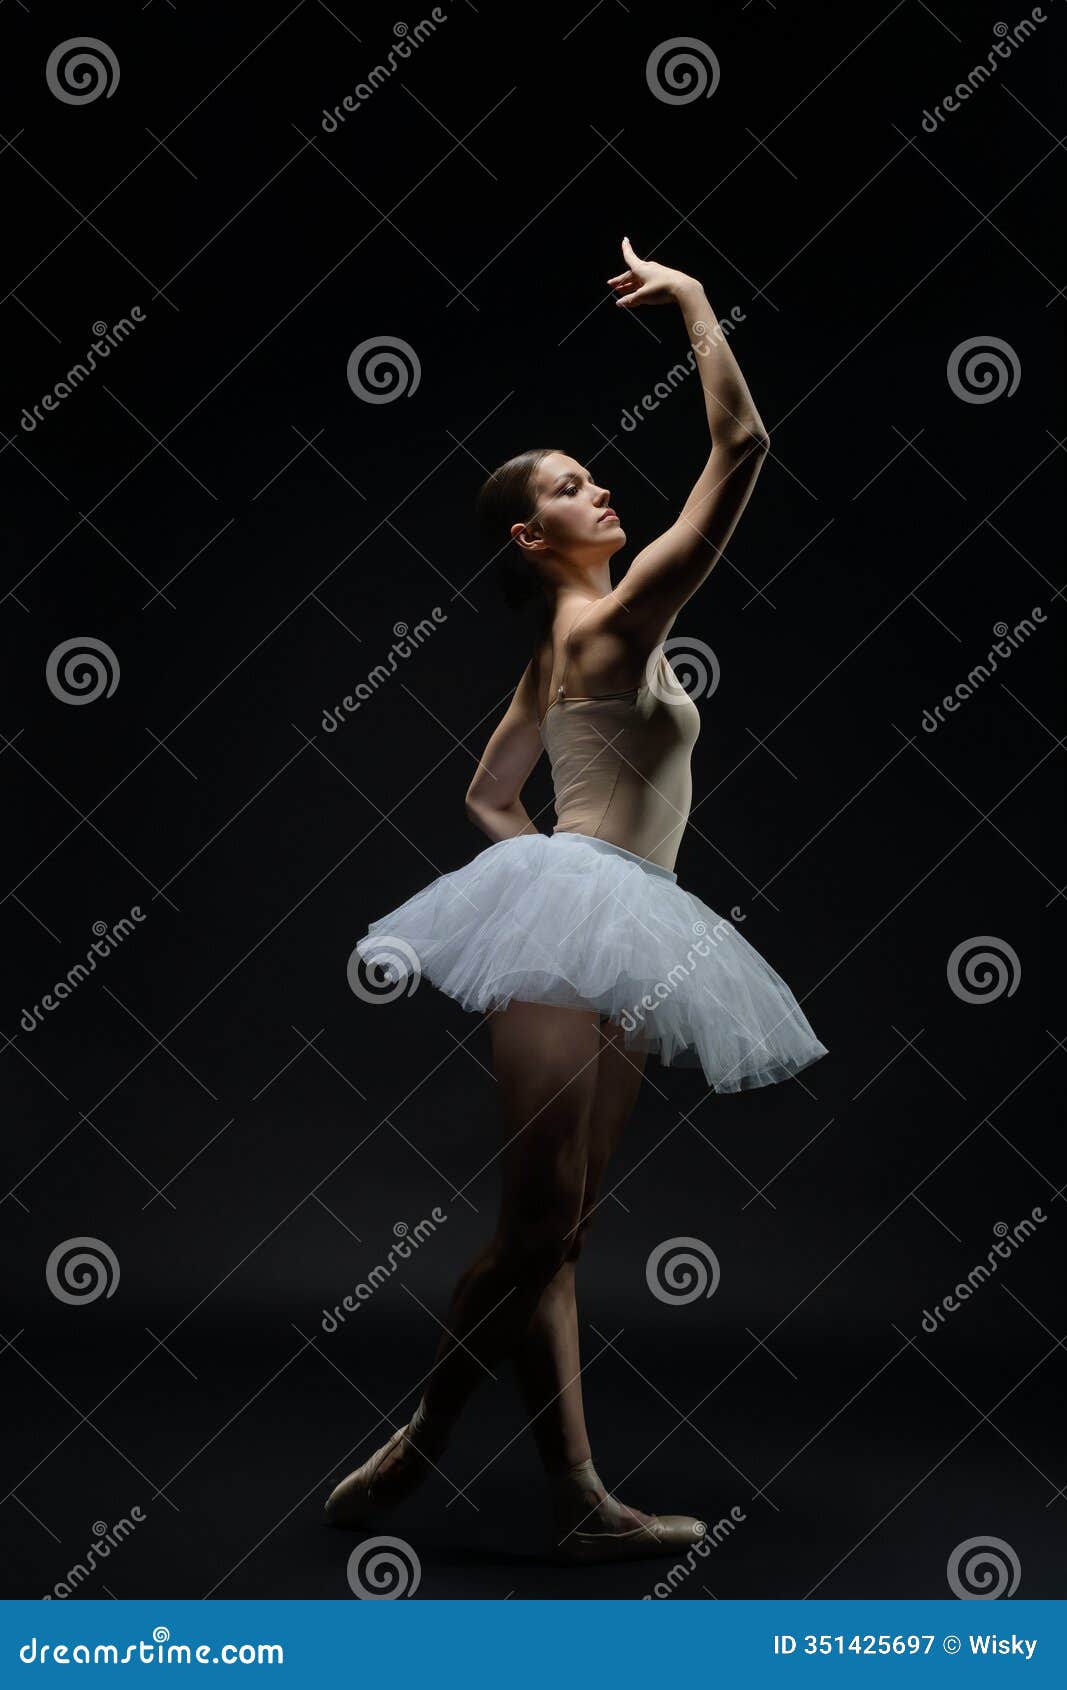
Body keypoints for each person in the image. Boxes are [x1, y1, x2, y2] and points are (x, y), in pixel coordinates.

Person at [325, 238, 828, 1563]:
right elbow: (746, 448)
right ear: (532, 535)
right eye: (572, 484)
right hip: (598, 915)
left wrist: (553, 870)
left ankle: (578, 1497)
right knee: (540, 1220)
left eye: (592, 474)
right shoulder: (603, 629)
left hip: (621, 922)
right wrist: (702, 303)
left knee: (567, 1228)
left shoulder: (565, 648)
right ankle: (426, 1433)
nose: (600, 488)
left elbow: (493, 790)